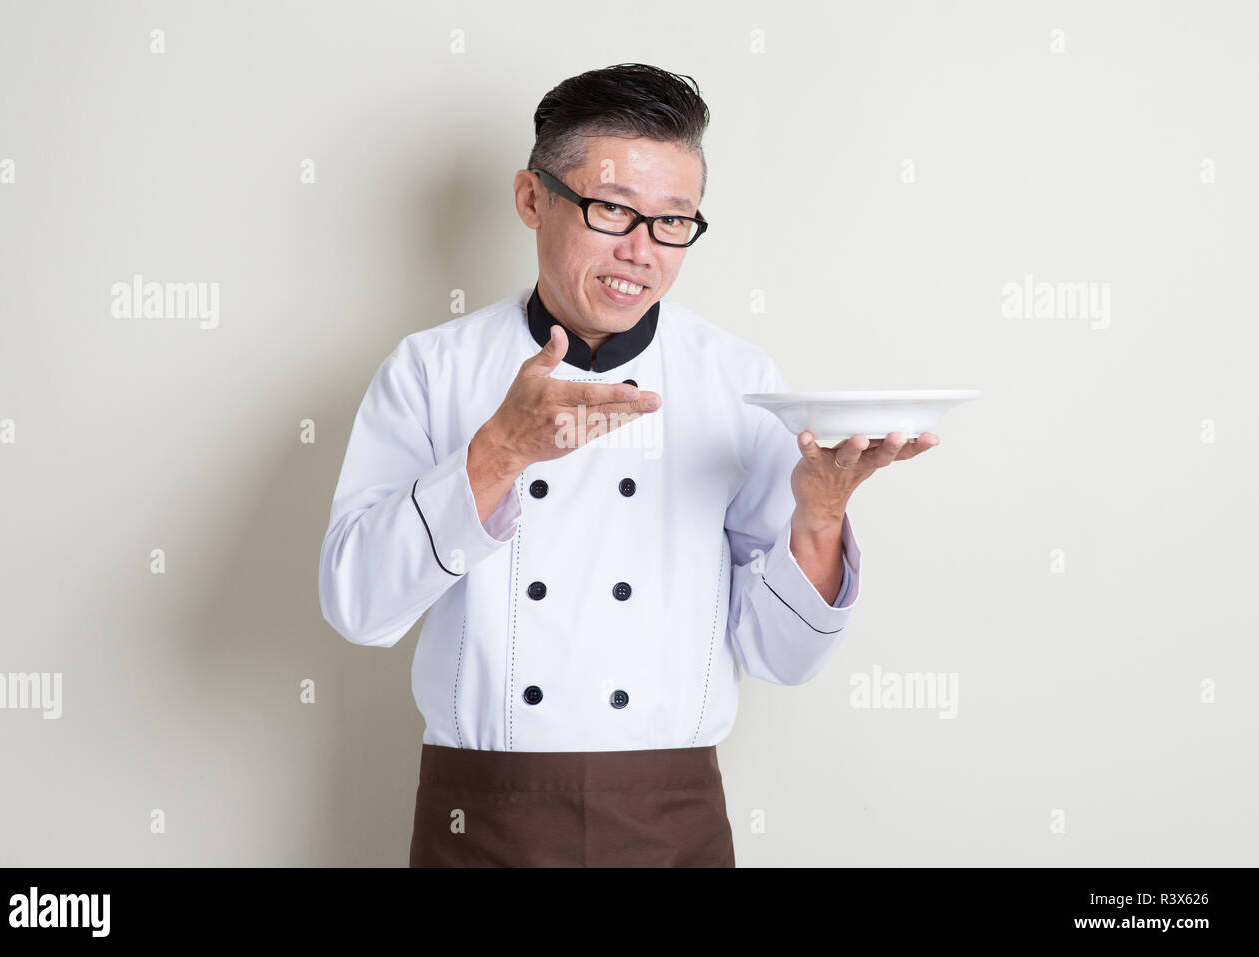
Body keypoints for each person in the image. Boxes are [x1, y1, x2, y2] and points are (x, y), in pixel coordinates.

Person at [318, 63, 938, 867]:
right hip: (482, 818)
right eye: (612, 209)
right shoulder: (431, 370)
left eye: (672, 221)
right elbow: (358, 608)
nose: (641, 252)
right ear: (532, 198)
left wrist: (819, 518)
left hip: (671, 821)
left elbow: (782, 658)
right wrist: (498, 451)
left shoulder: (739, 381)